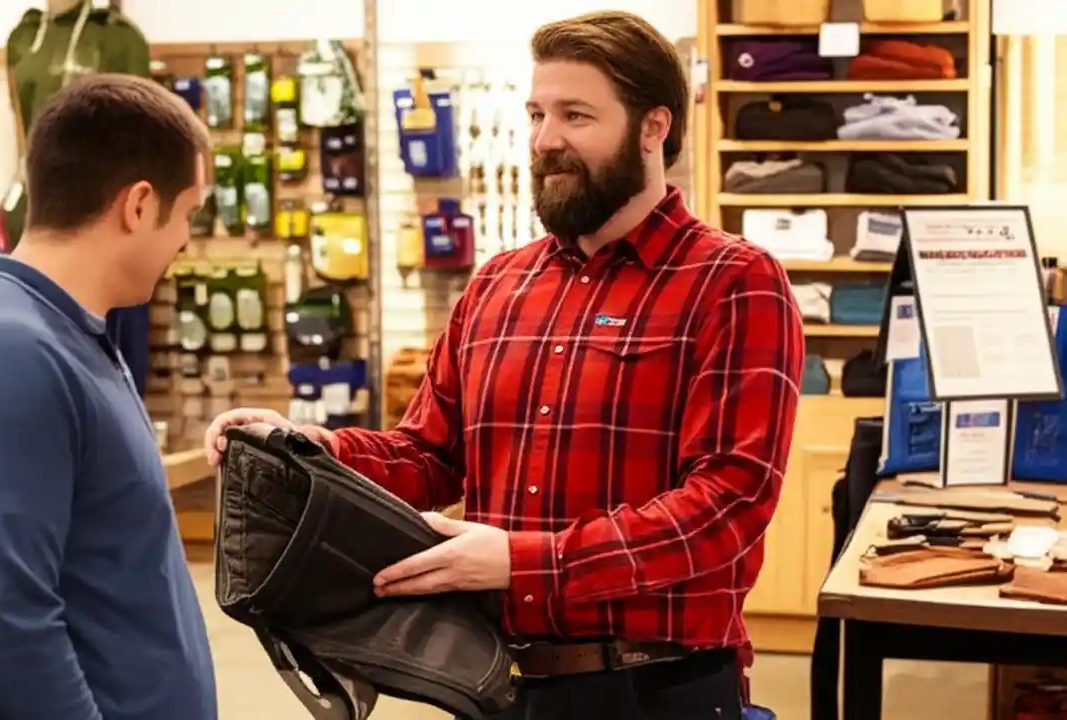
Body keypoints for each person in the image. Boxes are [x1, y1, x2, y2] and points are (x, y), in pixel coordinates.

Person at [206, 10, 803, 720]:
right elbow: (428, 454)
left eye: (576, 115)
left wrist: (529, 562)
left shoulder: (733, 282)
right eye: (536, 113)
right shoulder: (498, 285)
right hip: (498, 685)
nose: (546, 140)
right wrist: (311, 449)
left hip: (656, 689)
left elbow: (726, 507)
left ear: (654, 127)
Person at [0, 74, 218, 720]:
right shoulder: (6, 358)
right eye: (188, 214)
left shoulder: (67, 338)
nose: (185, 240)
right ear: (138, 205)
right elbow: (2, 630)